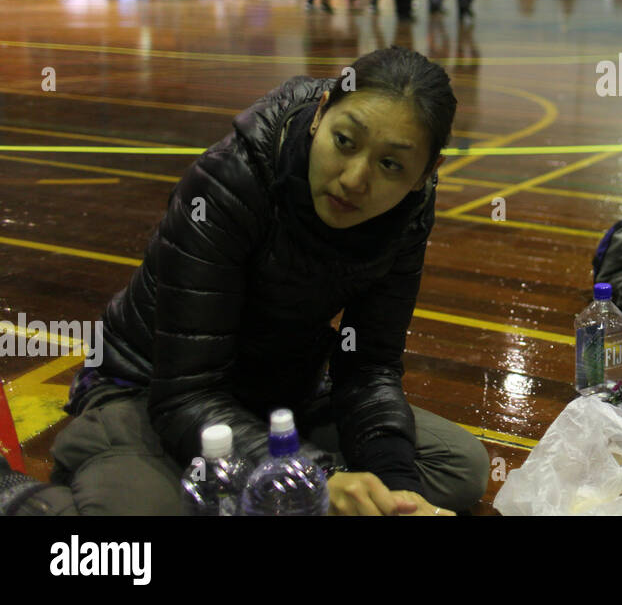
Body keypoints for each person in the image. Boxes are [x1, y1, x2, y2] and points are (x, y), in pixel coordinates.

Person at [20, 48, 490, 516]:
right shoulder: (228, 181)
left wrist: (397, 495)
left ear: (425, 174)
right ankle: (37, 487)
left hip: (280, 394)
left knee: (457, 467)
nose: (354, 179)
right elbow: (186, 394)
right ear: (320, 114)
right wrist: (318, 479)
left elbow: (368, 368)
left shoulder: (407, 214)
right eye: (345, 141)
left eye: (391, 165)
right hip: (151, 393)